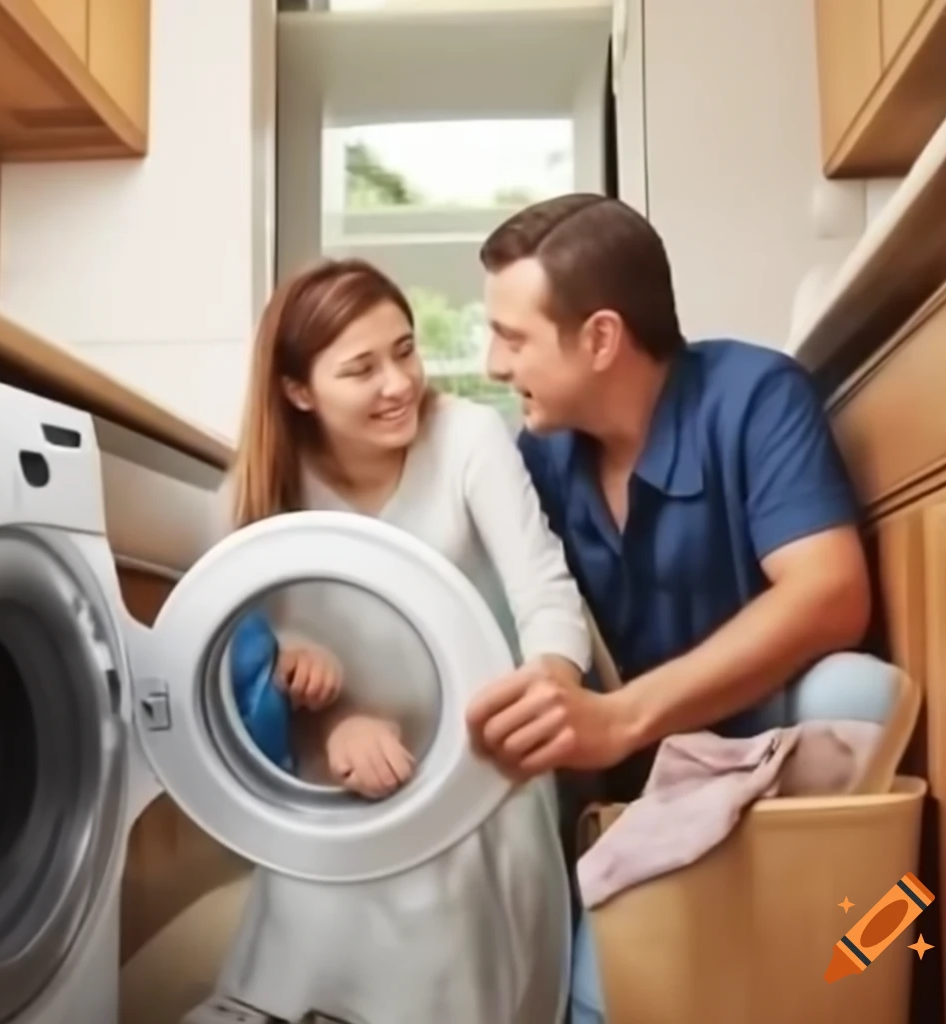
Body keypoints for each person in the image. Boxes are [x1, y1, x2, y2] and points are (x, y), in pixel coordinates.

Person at [462, 194, 872, 1023]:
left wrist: (622, 717)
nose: (492, 365)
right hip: (639, 801)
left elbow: (831, 592)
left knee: (860, 692)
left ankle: (858, 969)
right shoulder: (539, 457)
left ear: (602, 337)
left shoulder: (755, 396)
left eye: (513, 339)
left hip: (770, 763)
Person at [216, 256, 590, 1024]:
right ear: (298, 391)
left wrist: (546, 687)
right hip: (341, 756)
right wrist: (320, 704)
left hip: (486, 747)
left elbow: (546, 596)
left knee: (433, 870)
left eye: (405, 350)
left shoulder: (468, 438)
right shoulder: (259, 495)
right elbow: (250, 662)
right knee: (329, 855)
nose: (399, 383)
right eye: (361, 369)